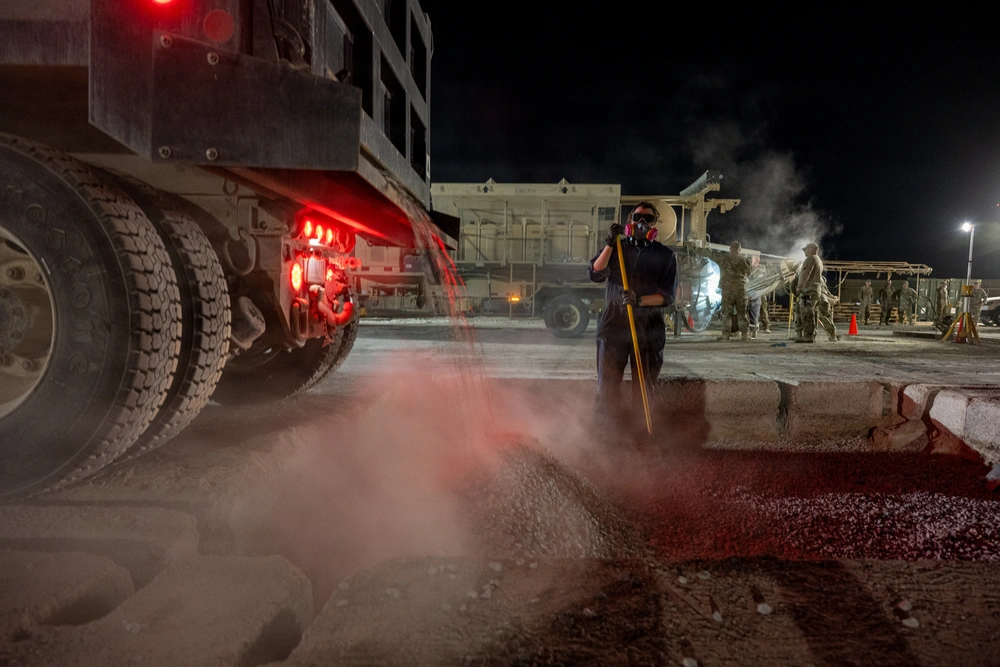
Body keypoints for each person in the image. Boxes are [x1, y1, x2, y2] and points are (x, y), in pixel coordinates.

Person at [589, 202, 678, 412]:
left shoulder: (665, 255)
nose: (641, 223)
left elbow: (667, 296)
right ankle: (607, 437)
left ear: (654, 225)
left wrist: (639, 300)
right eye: (637, 217)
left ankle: (642, 437)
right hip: (613, 326)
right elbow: (595, 272)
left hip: (647, 328)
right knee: (607, 388)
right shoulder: (617, 249)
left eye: (647, 219)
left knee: (644, 390)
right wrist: (610, 243)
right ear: (630, 221)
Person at [689, 240, 755, 341]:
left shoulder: (724, 257)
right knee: (742, 314)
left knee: (727, 313)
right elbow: (749, 272)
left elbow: (710, 254)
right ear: (740, 249)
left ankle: (725, 335)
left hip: (727, 290)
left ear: (730, 249)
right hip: (741, 290)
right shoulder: (745, 260)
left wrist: (695, 249)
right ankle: (745, 335)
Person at [794, 242, 834, 342]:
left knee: (807, 313)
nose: (804, 252)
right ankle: (811, 335)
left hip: (809, 291)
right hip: (814, 291)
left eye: (806, 250)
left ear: (811, 249)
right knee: (813, 314)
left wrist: (800, 286)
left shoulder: (811, 259)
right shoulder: (818, 260)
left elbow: (807, 272)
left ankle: (808, 336)